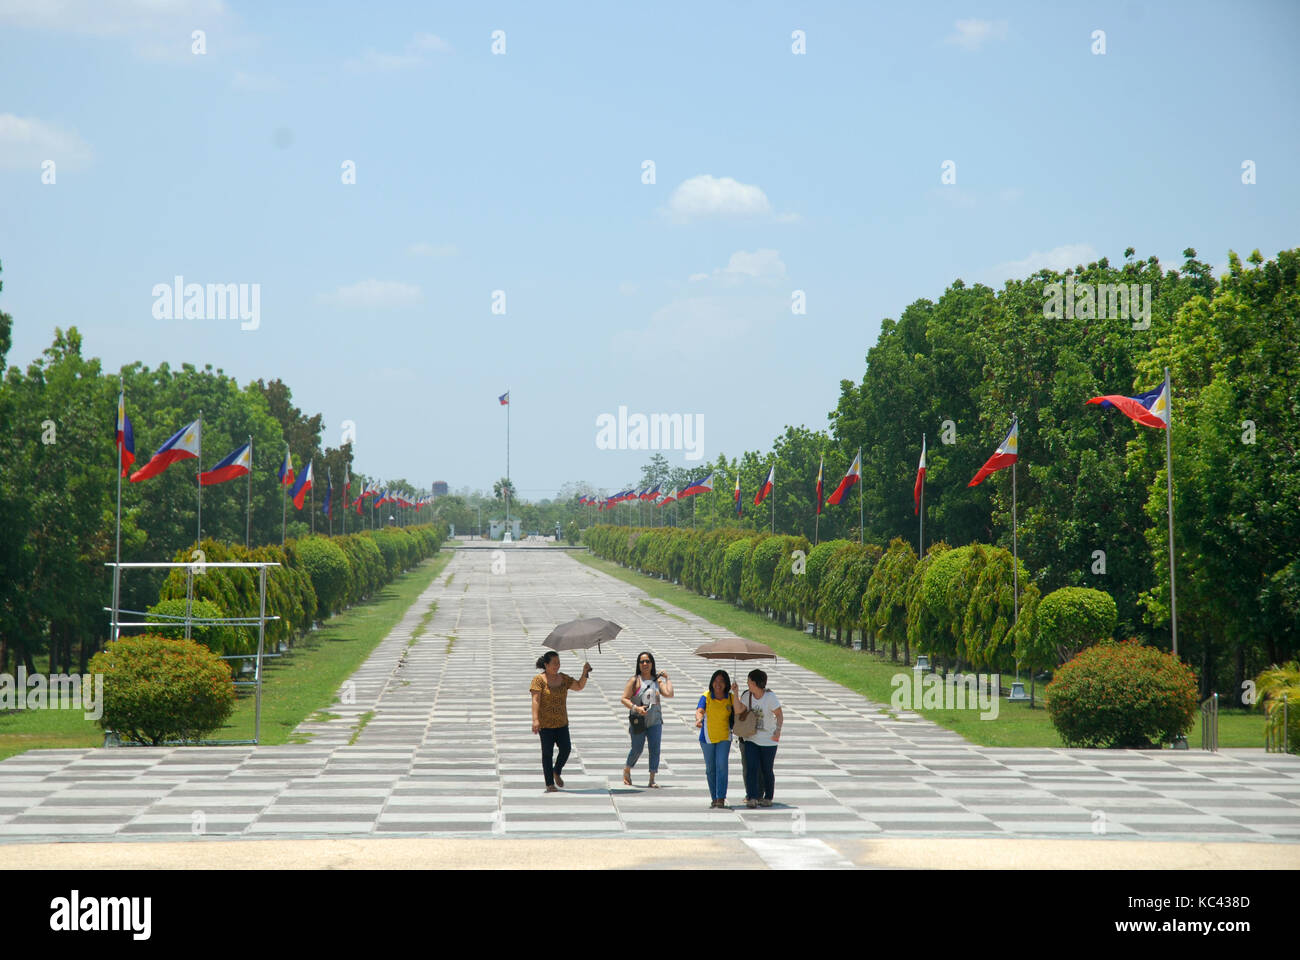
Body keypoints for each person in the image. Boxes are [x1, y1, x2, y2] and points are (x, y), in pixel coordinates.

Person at [530, 651, 591, 792]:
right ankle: (549, 784)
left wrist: (585, 672)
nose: (557, 666)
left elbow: (579, 686)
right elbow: (535, 700)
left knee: (566, 749)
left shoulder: (563, 678)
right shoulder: (538, 680)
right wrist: (535, 720)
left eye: (558, 663)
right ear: (546, 665)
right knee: (547, 753)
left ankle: (556, 771)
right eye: (554, 663)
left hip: (562, 723)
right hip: (545, 725)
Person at [621, 651, 673, 787]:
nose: (645, 664)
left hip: (655, 720)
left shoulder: (657, 680)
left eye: (647, 661)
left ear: (652, 663)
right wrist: (636, 708)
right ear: (638, 664)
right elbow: (624, 698)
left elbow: (669, 694)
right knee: (637, 748)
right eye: (642, 661)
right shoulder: (635, 680)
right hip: (639, 721)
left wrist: (668, 679)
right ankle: (627, 769)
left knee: (655, 748)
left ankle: (652, 779)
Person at [739, 668, 783, 808]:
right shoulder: (747, 696)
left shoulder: (770, 697)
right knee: (751, 768)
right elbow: (739, 711)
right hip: (751, 738)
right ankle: (752, 797)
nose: (747, 683)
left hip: (768, 740)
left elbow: (779, 715)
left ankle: (768, 797)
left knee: (766, 769)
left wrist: (778, 730)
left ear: (755, 682)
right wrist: (735, 694)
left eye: (749, 680)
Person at [694, 669, 738, 808]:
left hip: (724, 737)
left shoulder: (730, 698)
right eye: (716, 681)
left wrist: (736, 693)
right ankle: (714, 797)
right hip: (707, 738)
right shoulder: (706, 696)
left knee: (721, 766)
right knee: (710, 769)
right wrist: (698, 719)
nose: (718, 684)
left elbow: (740, 710)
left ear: (726, 684)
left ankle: (721, 798)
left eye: (722, 681)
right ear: (712, 683)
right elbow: (699, 710)